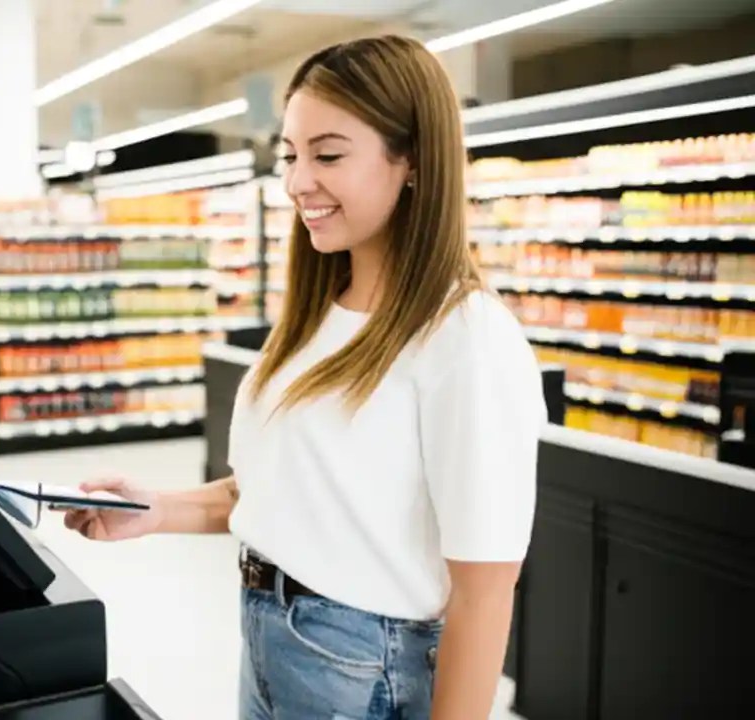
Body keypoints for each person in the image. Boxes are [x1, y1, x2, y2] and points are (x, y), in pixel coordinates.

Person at [62, 35, 546, 720]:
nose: (297, 181)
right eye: (291, 155)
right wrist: (155, 510)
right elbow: (286, 491)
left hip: (362, 668)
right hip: (273, 637)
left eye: (328, 154)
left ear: (412, 161)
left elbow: (487, 591)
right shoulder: (321, 311)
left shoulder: (465, 338)